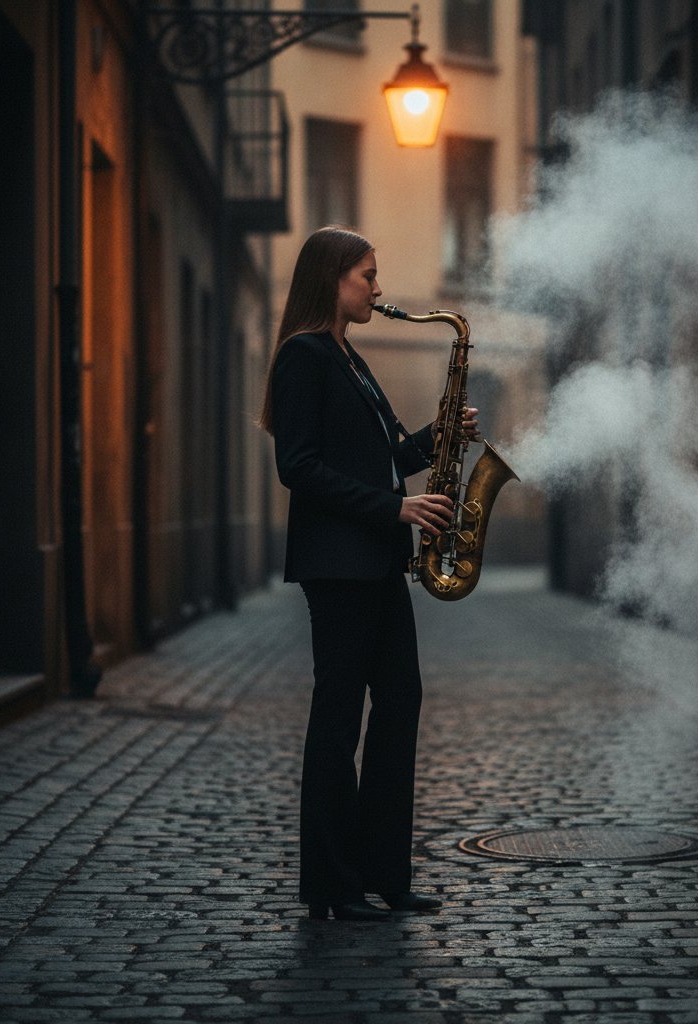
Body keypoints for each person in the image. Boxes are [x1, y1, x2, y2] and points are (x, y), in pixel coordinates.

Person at [259, 226, 480, 922]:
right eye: (367, 275)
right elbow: (297, 466)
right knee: (337, 722)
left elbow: (383, 457)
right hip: (339, 566)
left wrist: (442, 436)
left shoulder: (349, 358)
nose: (379, 290)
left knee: (401, 704)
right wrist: (396, 508)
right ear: (333, 279)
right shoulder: (305, 357)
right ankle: (331, 882)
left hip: (376, 563)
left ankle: (384, 872)